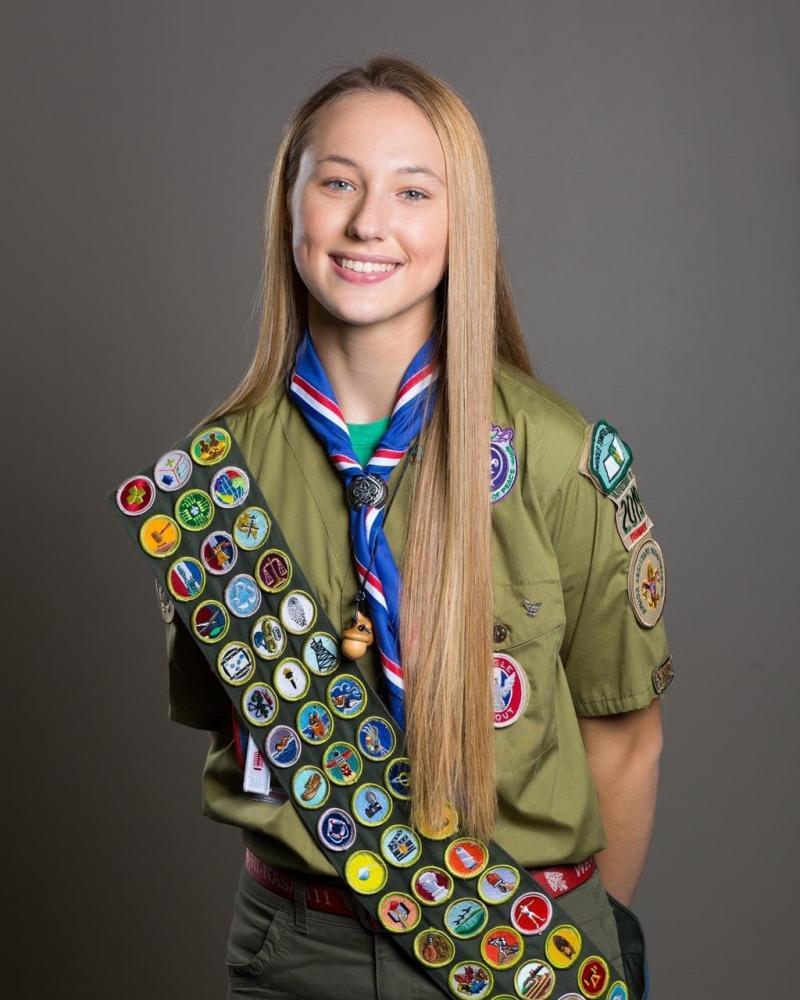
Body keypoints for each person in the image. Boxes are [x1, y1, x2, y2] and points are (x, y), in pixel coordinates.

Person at [162, 55, 672, 999]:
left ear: (460, 221)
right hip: (297, 952)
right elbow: (228, 723)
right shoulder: (212, 476)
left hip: (525, 947)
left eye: (412, 190)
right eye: (339, 182)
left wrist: (557, 942)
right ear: (291, 202)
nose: (369, 223)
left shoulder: (562, 457)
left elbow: (626, 742)